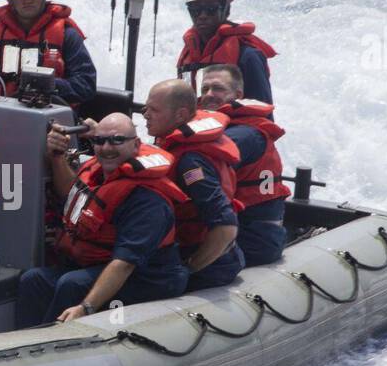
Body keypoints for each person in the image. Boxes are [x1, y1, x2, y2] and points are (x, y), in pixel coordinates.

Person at [18, 113, 188, 327]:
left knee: (72, 284)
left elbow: (124, 263)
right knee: (33, 279)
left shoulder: (147, 199)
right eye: (99, 141)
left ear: (136, 144)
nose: (106, 148)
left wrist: (86, 307)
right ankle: (21, 339)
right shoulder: (100, 173)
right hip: (96, 263)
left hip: (147, 277)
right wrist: (56, 157)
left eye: (116, 140)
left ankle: (49, 345)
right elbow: (73, 194)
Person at [141, 79, 246, 290]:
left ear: (180, 115)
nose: (145, 114)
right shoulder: (170, 141)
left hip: (210, 265)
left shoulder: (190, 163)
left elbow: (225, 227)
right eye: (145, 108)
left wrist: (188, 268)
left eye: (154, 110)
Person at [198, 63, 289, 265]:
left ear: (238, 94)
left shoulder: (242, 136)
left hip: (252, 239)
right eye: (205, 89)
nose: (209, 94)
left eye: (218, 89)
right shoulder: (218, 129)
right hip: (242, 231)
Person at [175, 0, 276, 104]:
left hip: (233, 123)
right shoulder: (189, 54)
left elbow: (263, 108)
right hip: (196, 122)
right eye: (195, 10)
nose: (202, 16)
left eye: (211, 9)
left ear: (226, 9)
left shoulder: (248, 56)